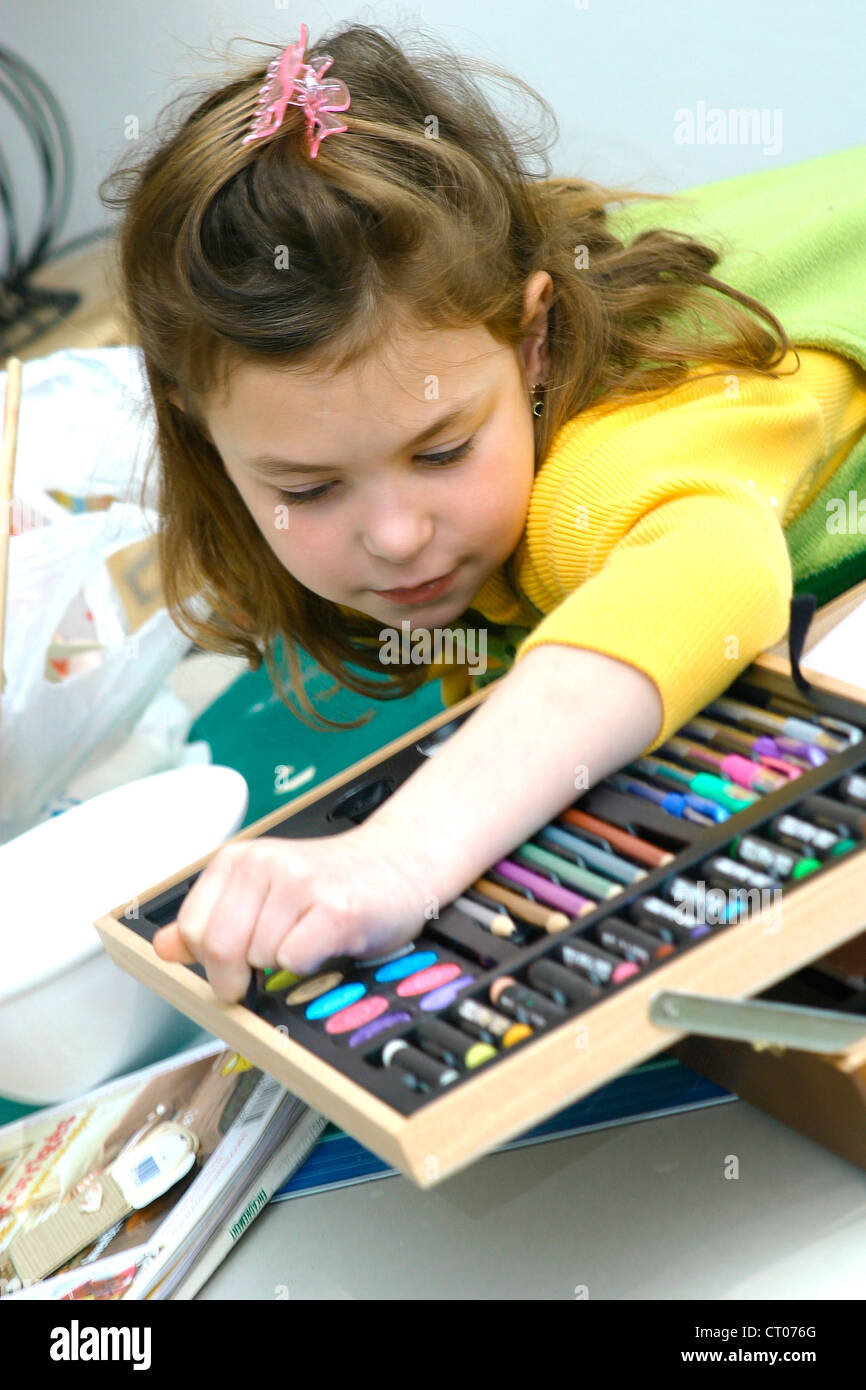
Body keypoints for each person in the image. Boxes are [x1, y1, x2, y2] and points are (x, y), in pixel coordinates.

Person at [100, 21, 866, 1001]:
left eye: (443, 450)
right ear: (202, 436)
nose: (396, 533)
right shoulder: (458, 340)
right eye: (307, 488)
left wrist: (402, 856)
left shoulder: (605, 457)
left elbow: (708, 571)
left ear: (535, 341)